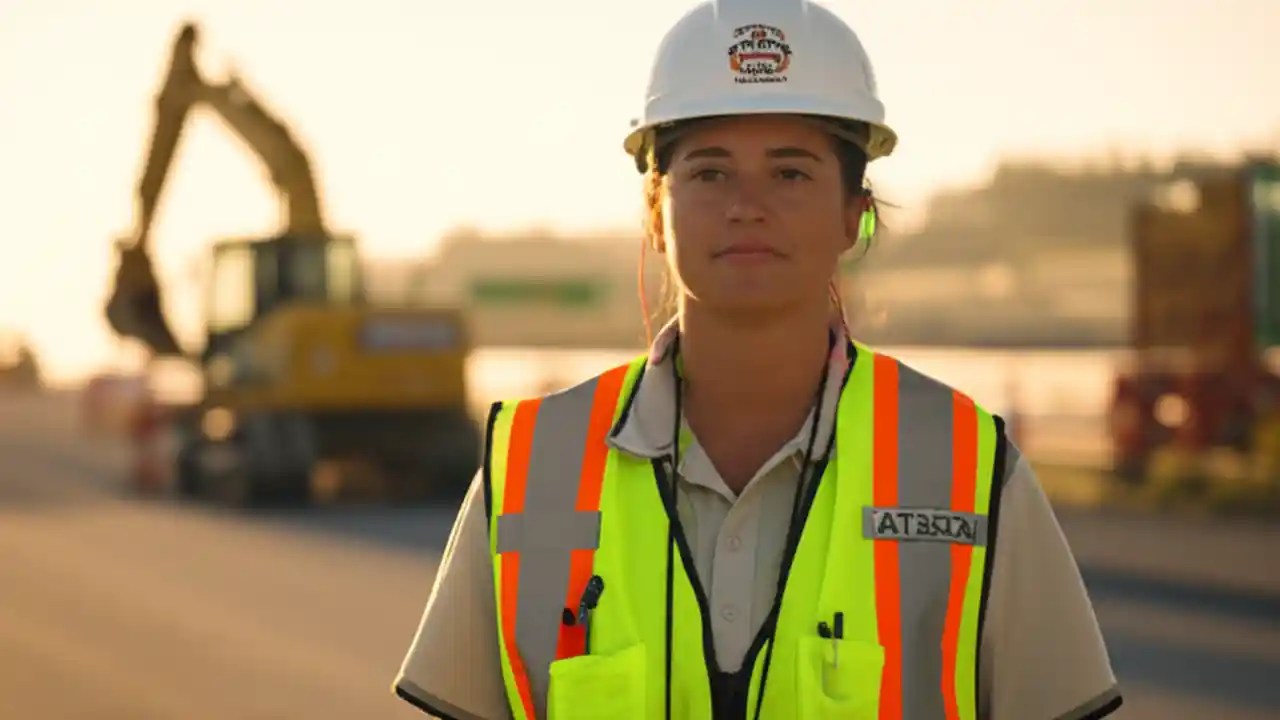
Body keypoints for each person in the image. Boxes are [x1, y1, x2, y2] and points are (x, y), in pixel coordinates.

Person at [392, 0, 1121, 717]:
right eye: (710, 173)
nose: (747, 204)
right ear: (655, 210)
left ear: (853, 212)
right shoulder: (532, 467)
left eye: (790, 172)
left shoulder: (967, 466)